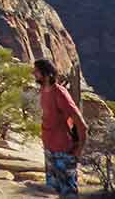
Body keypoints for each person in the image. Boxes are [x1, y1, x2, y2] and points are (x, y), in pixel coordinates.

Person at [34, 59, 88, 197]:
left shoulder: (59, 93)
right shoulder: (44, 90)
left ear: (47, 74)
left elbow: (81, 123)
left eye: (37, 71)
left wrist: (79, 150)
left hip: (64, 151)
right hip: (50, 150)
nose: (33, 73)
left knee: (68, 193)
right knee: (54, 191)